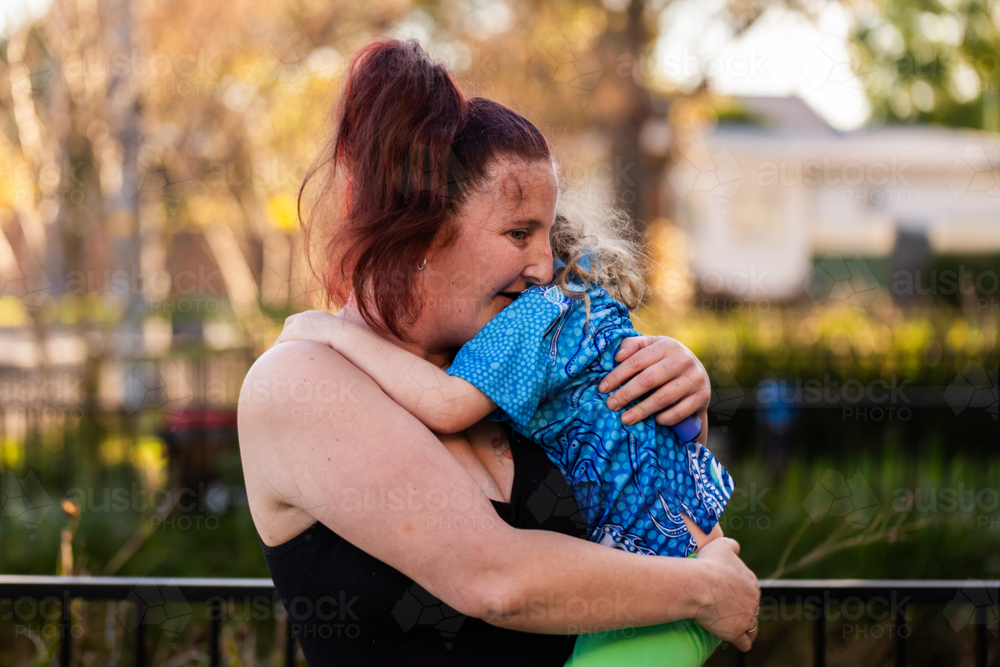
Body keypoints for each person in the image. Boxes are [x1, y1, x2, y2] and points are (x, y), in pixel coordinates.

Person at [238, 38, 760, 666]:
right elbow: (494, 579)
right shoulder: (299, 379)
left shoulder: (508, 362)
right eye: (517, 234)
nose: (544, 267)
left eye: (546, 235)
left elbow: (650, 515)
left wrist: (672, 389)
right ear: (419, 231)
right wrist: (705, 591)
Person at [278, 196, 735, 666]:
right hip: (679, 567)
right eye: (517, 235)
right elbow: (665, 439)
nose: (535, 266)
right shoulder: (570, 309)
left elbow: (446, 404)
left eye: (532, 238)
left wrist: (337, 334)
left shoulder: (530, 319)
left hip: (671, 585)